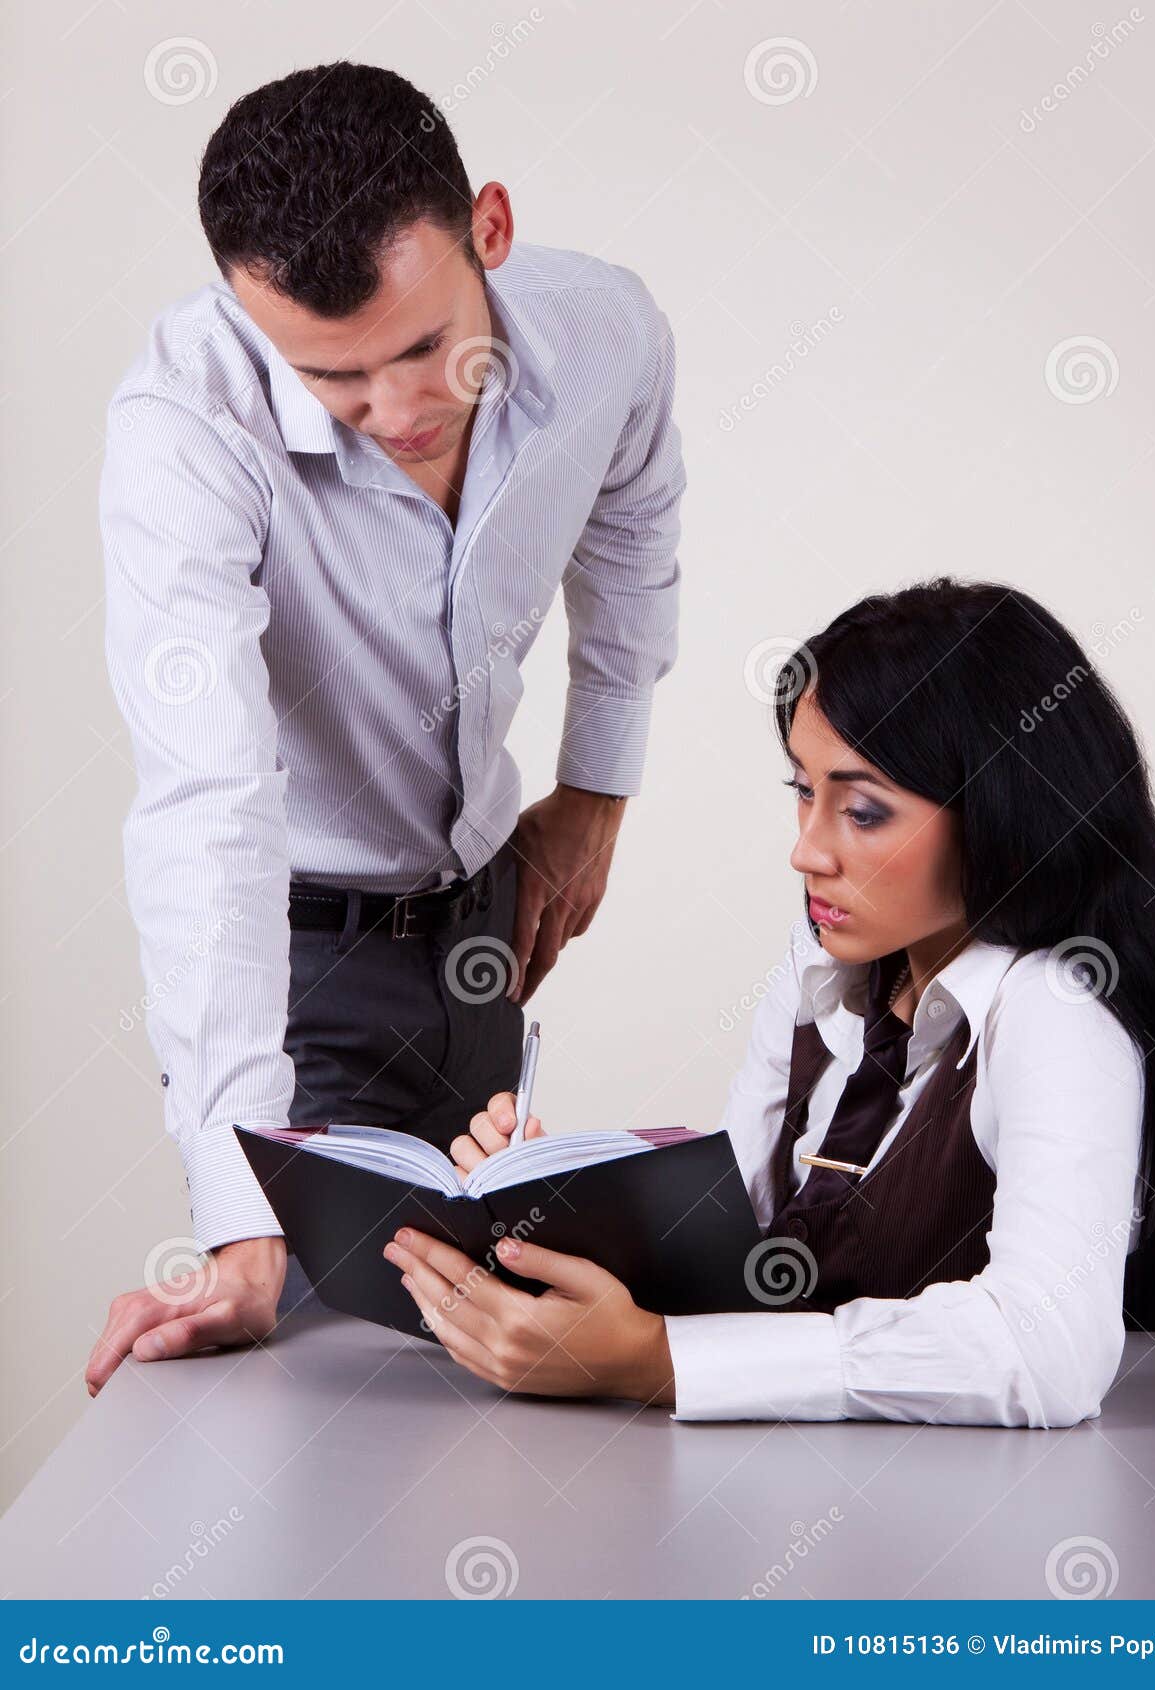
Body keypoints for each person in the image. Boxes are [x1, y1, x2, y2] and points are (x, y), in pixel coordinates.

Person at [85, 63, 685, 1395]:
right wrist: (238, 1205)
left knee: (509, 1377)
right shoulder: (185, 428)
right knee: (306, 1410)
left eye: (423, 349)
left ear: (491, 230)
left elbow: (635, 524)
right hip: (296, 977)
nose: (400, 410)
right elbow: (209, 807)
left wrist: (597, 785)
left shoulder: (605, 333)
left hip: (485, 937)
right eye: (333, 380)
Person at [381, 578, 1155, 1426]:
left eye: (862, 811)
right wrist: (551, 1215)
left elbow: (1045, 1353)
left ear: (1003, 810)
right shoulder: (828, 968)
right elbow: (744, 1249)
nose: (807, 853)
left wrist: (656, 1362)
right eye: (803, 792)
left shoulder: (1053, 1015)